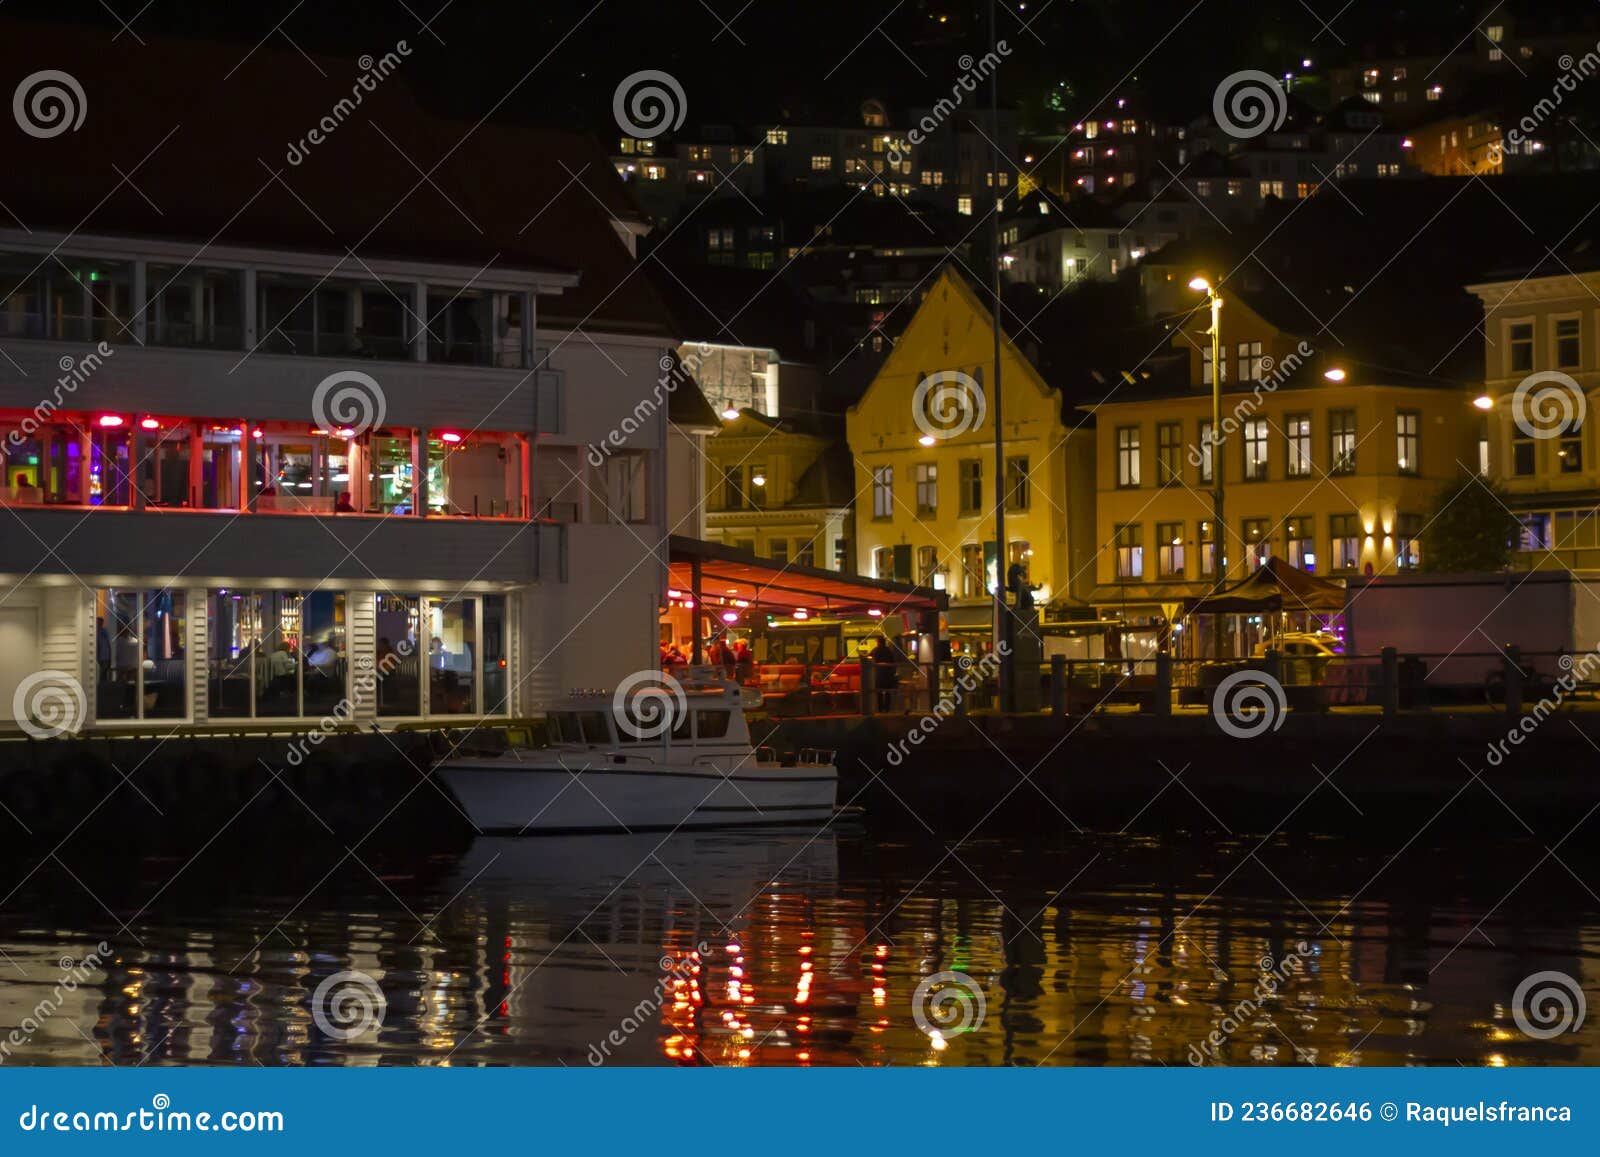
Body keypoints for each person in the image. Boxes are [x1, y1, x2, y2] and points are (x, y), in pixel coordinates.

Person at [869, 635, 900, 711]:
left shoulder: (876, 650)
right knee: (887, 693)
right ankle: (887, 709)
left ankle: (880, 709)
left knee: (879, 692)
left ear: (879, 642)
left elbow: (868, 656)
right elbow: (893, 661)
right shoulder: (889, 650)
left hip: (879, 674)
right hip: (888, 675)